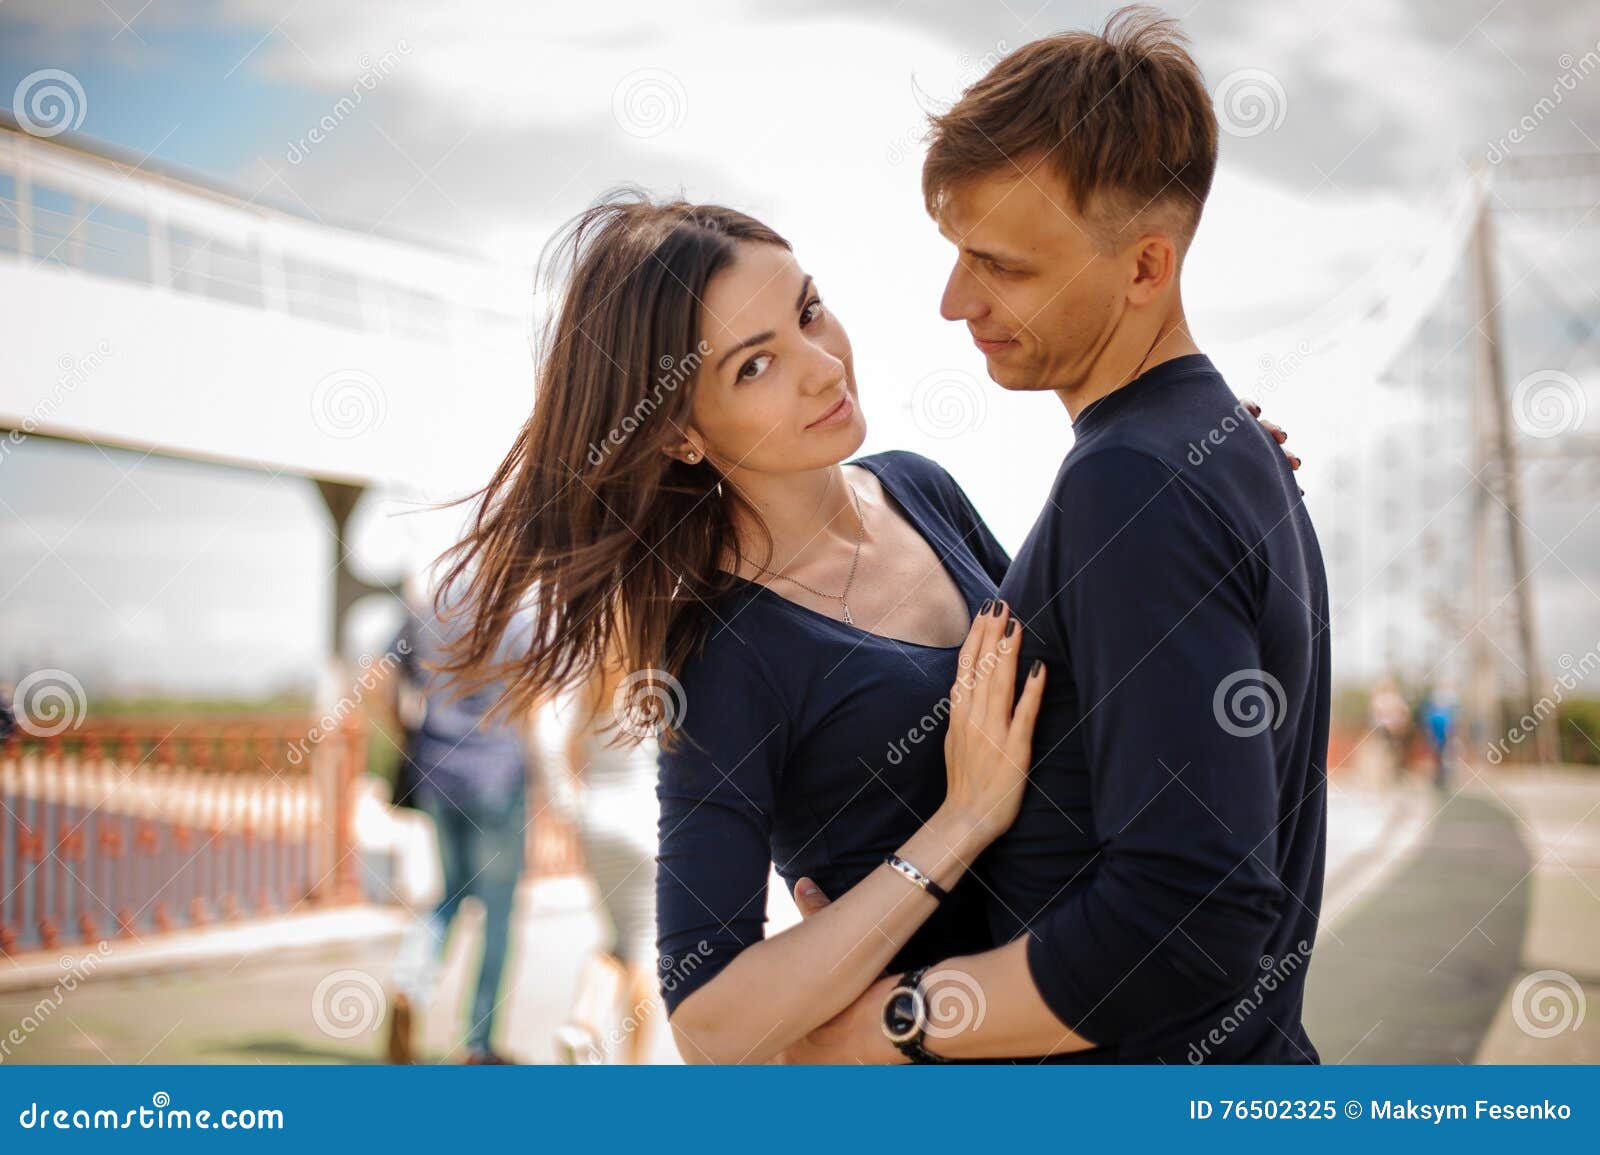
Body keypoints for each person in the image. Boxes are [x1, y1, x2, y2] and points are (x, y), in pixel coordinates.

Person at [786, 7, 1332, 1065]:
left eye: (1005, 267)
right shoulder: (1218, 454)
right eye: (957, 255)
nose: (955, 302)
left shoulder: (1134, 481)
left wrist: (897, 1023)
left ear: (1144, 269)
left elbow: (1191, 915)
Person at [383, 571, 535, 1065]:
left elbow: (380, 682)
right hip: (498, 775)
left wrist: (408, 735)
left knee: (451, 891)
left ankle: (410, 981)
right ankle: (479, 1042)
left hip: (435, 772)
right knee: (498, 910)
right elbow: (530, 701)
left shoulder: (426, 613)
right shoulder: (515, 619)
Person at [542, 660, 665, 1064]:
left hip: (597, 817)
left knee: (619, 938)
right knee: (646, 946)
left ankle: (582, 1024)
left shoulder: (590, 672)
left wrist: (566, 803)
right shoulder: (658, 674)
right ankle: (634, 1067)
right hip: (646, 818)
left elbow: (547, 732)